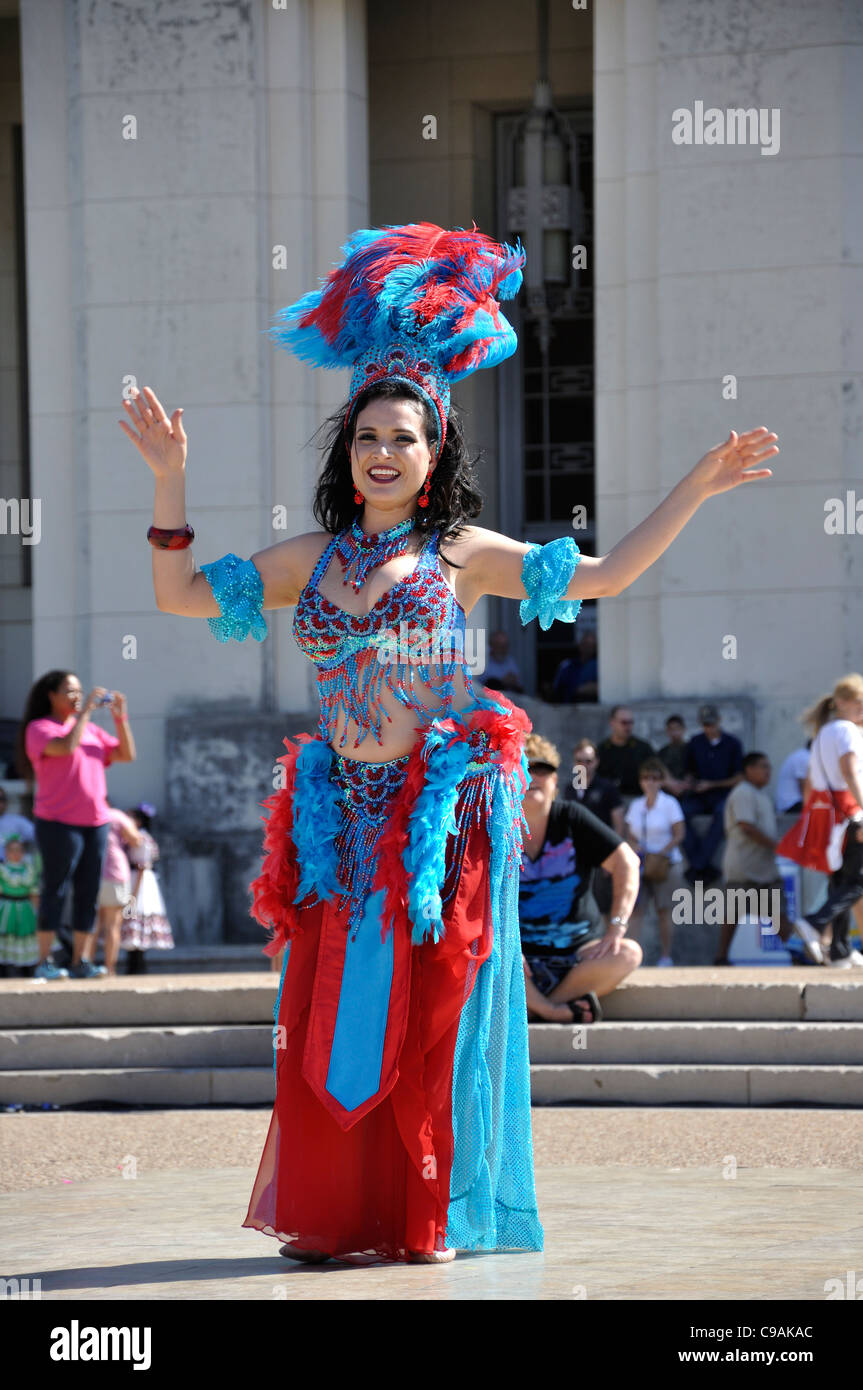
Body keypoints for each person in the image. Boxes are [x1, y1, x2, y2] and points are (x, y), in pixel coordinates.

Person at [118, 218, 779, 1265]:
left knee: (432, 1016)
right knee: (335, 1014)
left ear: (433, 458)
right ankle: (338, 1212)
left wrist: (693, 487)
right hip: (338, 817)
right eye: (367, 436)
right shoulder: (310, 559)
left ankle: (425, 1213)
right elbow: (179, 594)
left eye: (404, 438)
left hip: (438, 819)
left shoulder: (462, 553)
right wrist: (169, 479)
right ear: (349, 450)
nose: (382, 451)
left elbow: (598, 577)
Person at [16, 672, 136, 980]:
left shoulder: (92, 730)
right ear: (51, 695)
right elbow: (66, 747)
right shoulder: (39, 729)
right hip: (57, 822)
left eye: (79, 690)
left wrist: (120, 719)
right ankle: (46, 961)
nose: (77, 695)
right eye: (70, 691)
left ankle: (81, 961)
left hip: (95, 822)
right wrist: (84, 714)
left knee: (89, 891)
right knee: (55, 889)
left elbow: (126, 754)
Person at [518, 734, 641, 1023]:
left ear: (555, 781)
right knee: (483, 953)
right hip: (518, 959)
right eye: (522, 768)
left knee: (627, 953)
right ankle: (551, 1011)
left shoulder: (572, 817)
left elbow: (628, 862)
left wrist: (616, 927)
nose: (532, 776)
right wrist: (506, 947)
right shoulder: (496, 827)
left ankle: (536, 1008)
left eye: (542, 769)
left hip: (579, 954)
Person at [777, 676, 863, 968]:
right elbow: (851, 774)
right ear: (841, 703)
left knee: (840, 882)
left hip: (828, 814)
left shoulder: (822, 733)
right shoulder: (848, 732)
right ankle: (814, 923)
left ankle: (839, 948)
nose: (862, 709)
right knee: (858, 880)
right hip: (849, 814)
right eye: (858, 703)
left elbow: (812, 783)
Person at [718, 752, 821, 966]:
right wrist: (778, 846)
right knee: (733, 915)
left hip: (765, 868)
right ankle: (721, 958)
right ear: (749, 770)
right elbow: (746, 826)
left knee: (779, 916)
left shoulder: (763, 795)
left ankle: (799, 955)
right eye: (762, 767)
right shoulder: (743, 792)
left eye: (769, 767)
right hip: (744, 867)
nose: (768, 772)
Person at [624, 758, 686, 966]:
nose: (650, 782)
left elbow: (679, 834)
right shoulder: (636, 805)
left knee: (664, 910)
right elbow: (628, 833)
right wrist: (637, 848)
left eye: (655, 778)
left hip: (665, 865)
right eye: (646, 778)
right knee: (636, 910)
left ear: (661, 781)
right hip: (641, 863)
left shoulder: (670, 804)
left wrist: (661, 853)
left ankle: (666, 957)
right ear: (641, 781)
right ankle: (630, 959)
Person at [561, 738, 624, 925]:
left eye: (588, 761)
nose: (584, 765)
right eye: (580, 761)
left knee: (602, 905)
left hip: (601, 857)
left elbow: (619, 824)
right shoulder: (570, 789)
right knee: (575, 905)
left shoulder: (607, 788)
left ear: (596, 762)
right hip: (574, 858)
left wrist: (613, 858)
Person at [680, 703, 743, 883]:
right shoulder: (695, 742)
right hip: (699, 795)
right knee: (680, 813)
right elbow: (689, 770)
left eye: (712, 724)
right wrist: (693, 783)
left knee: (722, 814)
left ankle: (698, 864)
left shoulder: (732, 743)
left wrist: (713, 785)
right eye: (705, 725)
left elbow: (738, 777)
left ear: (719, 721)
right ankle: (701, 863)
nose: (709, 728)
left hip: (723, 795)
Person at [120, 804, 174, 973]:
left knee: (135, 916)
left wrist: (133, 895)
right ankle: (134, 963)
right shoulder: (138, 837)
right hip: (137, 880)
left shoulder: (141, 839)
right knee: (134, 921)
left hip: (139, 882)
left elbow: (142, 866)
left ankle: (137, 964)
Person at [94, 802, 142, 975]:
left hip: (91, 874)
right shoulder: (116, 815)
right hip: (114, 873)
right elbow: (136, 840)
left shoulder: (85, 814)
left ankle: (85, 964)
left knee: (92, 925)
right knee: (112, 925)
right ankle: (109, 968)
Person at [0, 833, 41, 978]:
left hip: (25, 910)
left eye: (19, 850)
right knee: (6, 939)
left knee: (24, 940)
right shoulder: (2, 870)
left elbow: (34, 894)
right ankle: (7, 969)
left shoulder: (28, 870)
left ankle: (26, 969)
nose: (15, 854)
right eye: (12, 850)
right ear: (6, 852)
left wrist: (38, 914)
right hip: (6, 910)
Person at [596, 707, 655, 799]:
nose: (628, 727)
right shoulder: (601, 749)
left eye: (631, 722)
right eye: (624, 722)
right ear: (612, 723)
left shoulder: (643, 748)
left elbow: (657, 769)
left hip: (638, 800)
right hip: (609, 802)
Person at [551, 630, 598, 702]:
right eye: (586, 644)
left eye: (592, 646)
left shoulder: (599, 667)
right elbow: (557, 690)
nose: (588, 648)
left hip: (592, 707)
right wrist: (578, 689)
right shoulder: (567, 666)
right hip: (568, 707)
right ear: (580, 645)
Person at [774, 740, 811, 816]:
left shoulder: (803, 755)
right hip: (790, 805)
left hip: (792, 804)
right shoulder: (804, 757)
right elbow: (804, 786)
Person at [657, 714, 690, 797]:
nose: (674, 733)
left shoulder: (692, 749)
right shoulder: (662, 752)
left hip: (689, 793)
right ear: (667, 731)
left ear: (684, 729)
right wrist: (670, 784)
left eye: (677, 729)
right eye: (671, 729)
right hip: (667, 793)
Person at [0, 788, 35, 860]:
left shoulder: (18, 821)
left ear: (6, 802)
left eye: (1, 799)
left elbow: (40, 836)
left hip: (13, 867)